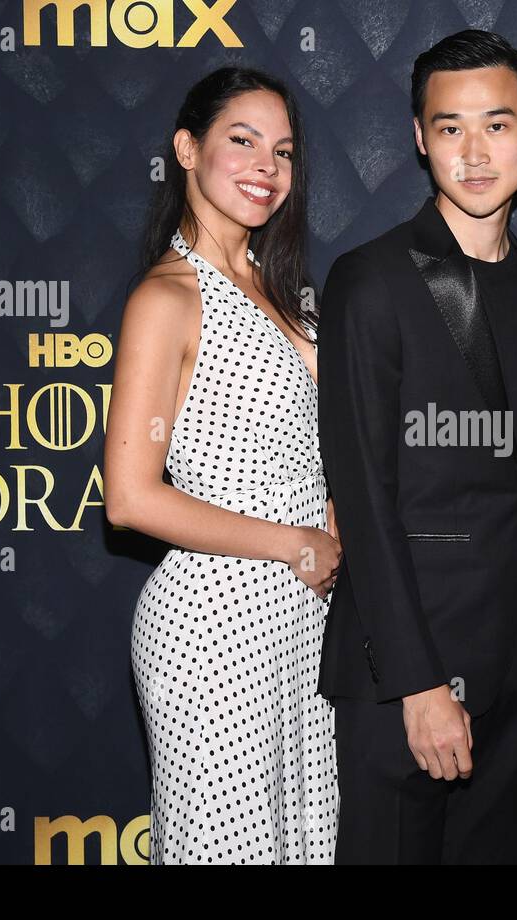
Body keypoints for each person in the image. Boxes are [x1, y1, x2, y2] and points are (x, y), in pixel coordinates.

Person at [317, 29, 517, 864]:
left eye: (497, 124)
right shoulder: (372, 279)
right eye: (450, 128)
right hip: (414, 659)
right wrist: (417, 681)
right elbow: (362, 494)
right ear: (419, 137)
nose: (475, 152)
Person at [104, 67, 339, 864]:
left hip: (304, 622)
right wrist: (293, 542)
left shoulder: (289, 296)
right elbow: (130, 498)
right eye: (241, 141)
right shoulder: (167, 298)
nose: (265, 167)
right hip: (214, 623)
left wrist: (332, 528)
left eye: (282, 151)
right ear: (186, 148)